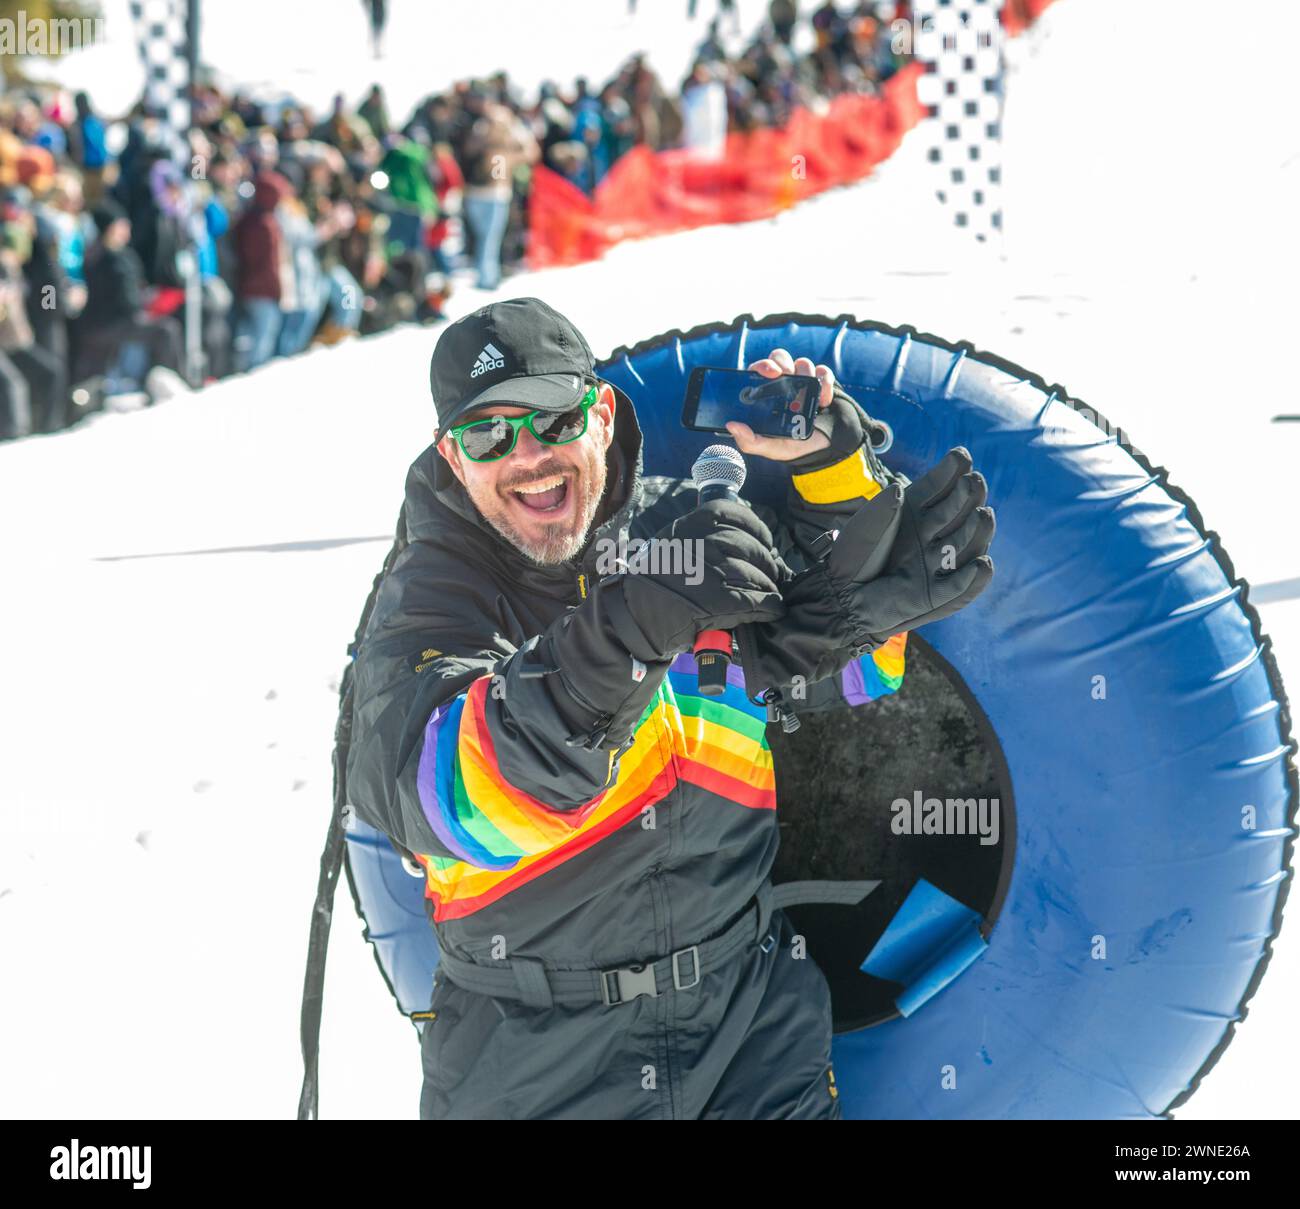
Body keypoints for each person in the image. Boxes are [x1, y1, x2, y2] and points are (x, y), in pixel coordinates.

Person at [345, 297, 995, 1119]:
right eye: (488, 435)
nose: (528, 457)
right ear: (452, 455)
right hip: (541, 1056)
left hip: (753, 1022)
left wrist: (830, 470)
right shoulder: (429, 604)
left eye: (551, 419)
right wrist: (631, 625)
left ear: (602, 411)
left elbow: (826, 669)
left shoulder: (682, 529)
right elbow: (451, 799)